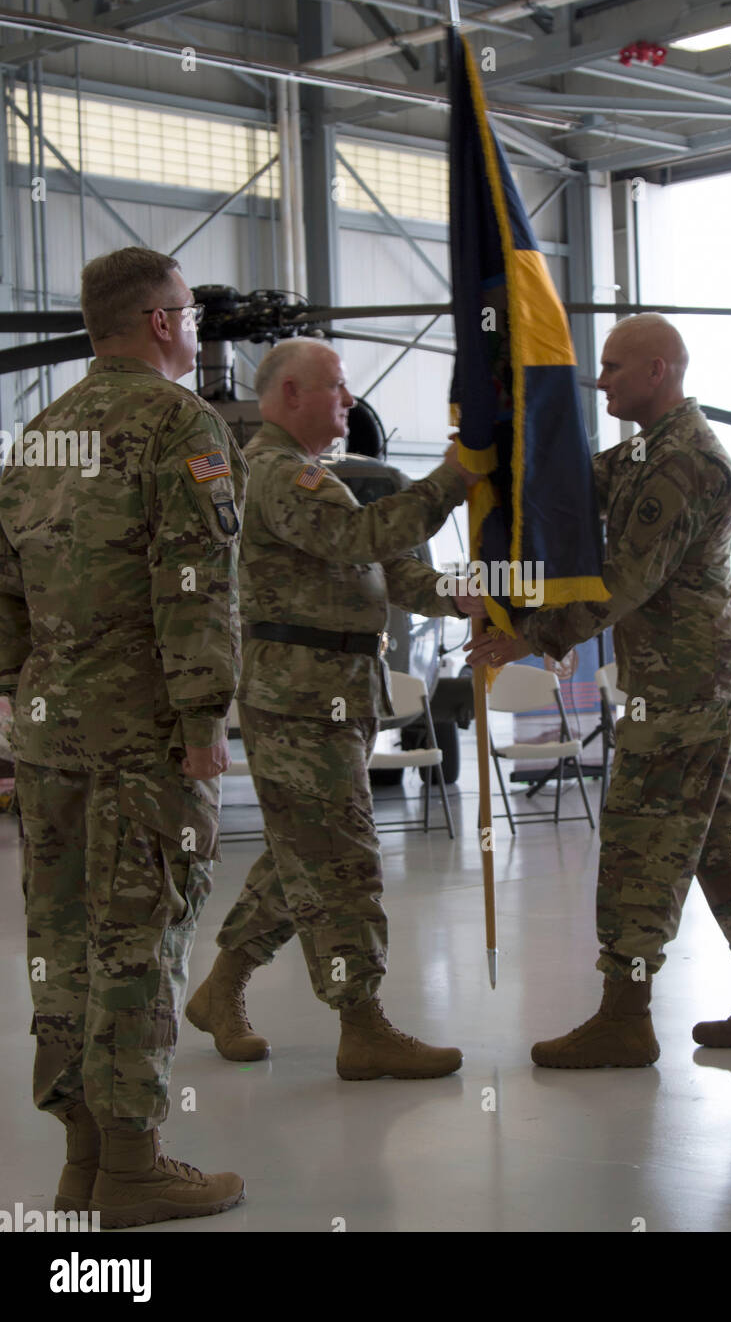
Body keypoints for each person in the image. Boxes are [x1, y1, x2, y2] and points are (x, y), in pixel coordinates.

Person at [467, 314, 731, 1067]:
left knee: (637, 840)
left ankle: (625, 1013)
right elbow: (565, 488)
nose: (601, 380)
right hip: (688, 678)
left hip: (683, 684)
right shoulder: (645, 453)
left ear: (658, 371)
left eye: (614, 368)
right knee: (724, 840)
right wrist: (493, 460)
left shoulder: (682, 463)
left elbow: (623, 582)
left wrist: (530, 636)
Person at [0, 246, 248, 1227]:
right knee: (141, 931)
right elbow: (193, 580)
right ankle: (135, 1163)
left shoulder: (40, 435)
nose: (195, 329)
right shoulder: (179, 424)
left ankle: (84, 1160)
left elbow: (5, 590)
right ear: (158, 320)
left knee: (61, 936)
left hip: (49, 728)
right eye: (189, 312)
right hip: (145, 732)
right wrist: (202, 717)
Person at [188, 337, 482, 1078]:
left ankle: (220, 989)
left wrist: (461, 597)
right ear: (290, 395)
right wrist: (454, 477)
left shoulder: (316, 477)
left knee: (303, 857)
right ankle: (362, 1024)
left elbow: (388, 570)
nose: (349, 401)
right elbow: (364, 535)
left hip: (331, 695)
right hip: (298, 699)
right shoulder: (277, 475)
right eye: (336, 389)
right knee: (343, 859)